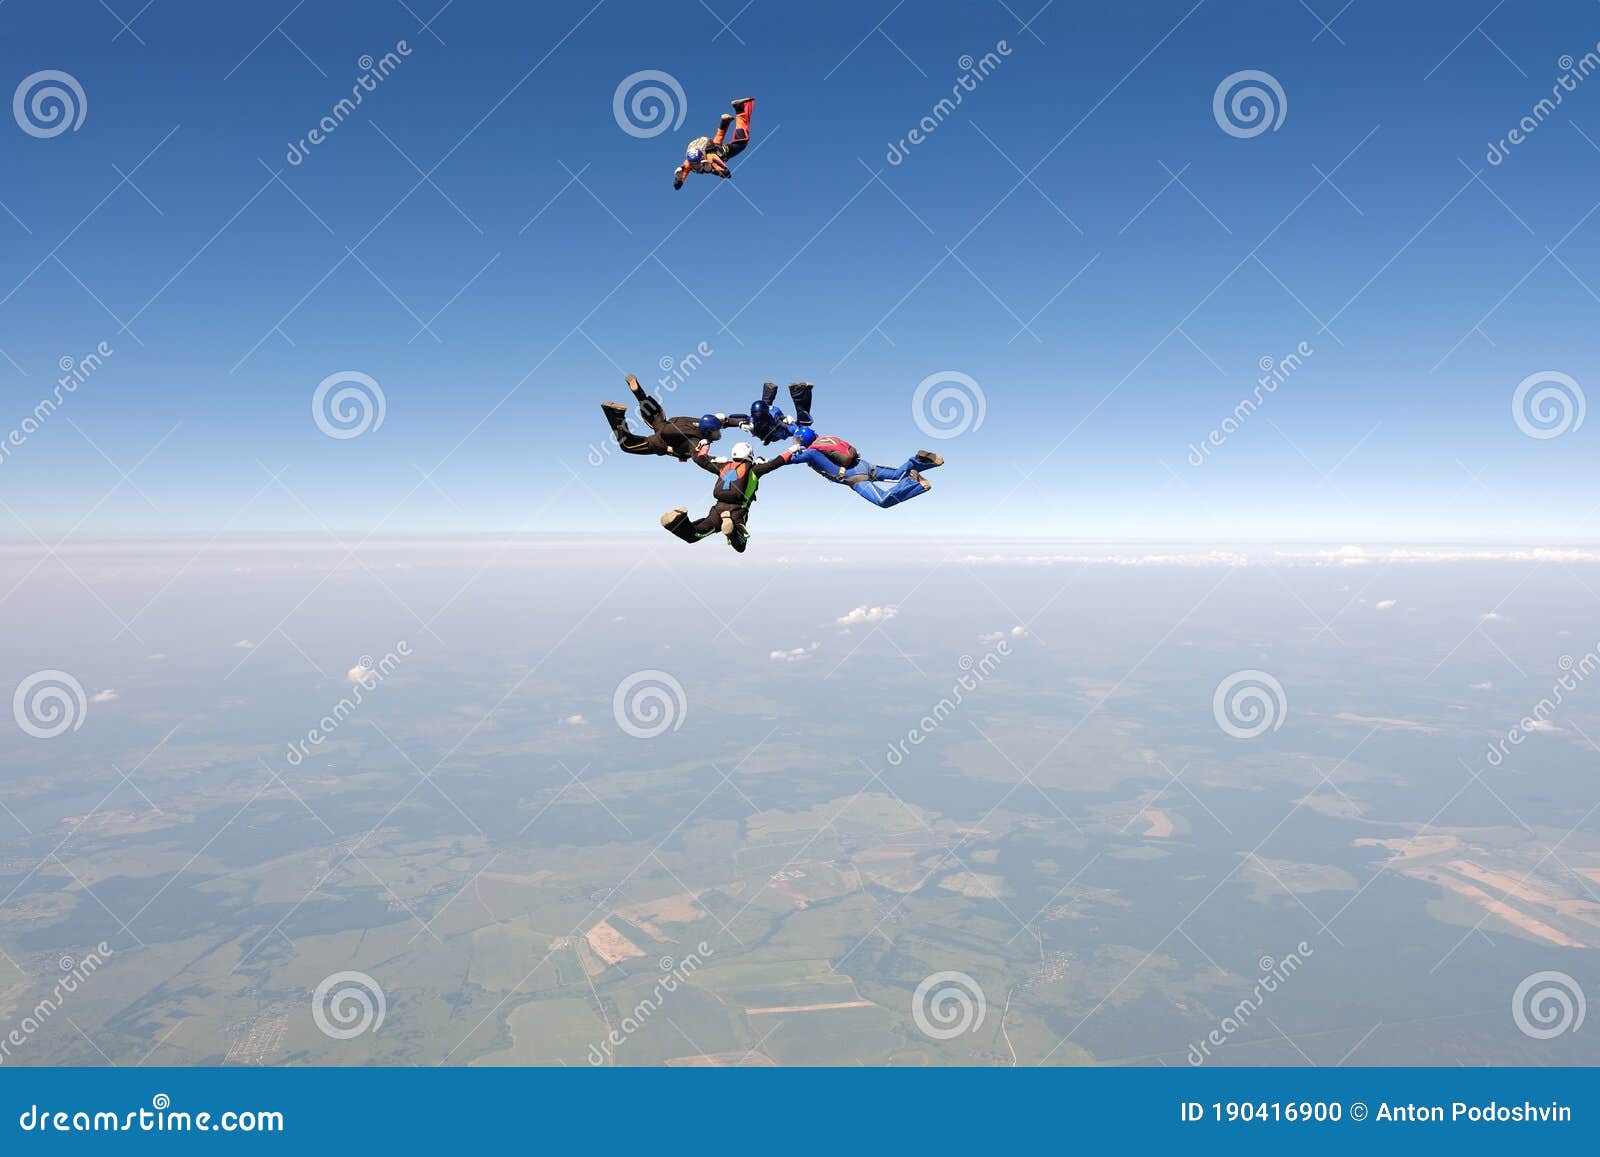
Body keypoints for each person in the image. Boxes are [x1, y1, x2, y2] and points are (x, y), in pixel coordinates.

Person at [661, 439, 786, 552]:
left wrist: (705, 444)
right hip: (737, 510)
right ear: (750, 454)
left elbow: (700, 459)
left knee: (694, 534)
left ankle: (676, 523)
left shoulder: (723, 465)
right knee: (741, 546)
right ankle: (731, 531)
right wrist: (794, 448)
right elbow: (779, 461)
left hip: (718, 508)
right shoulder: (754, 469)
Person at [780, 427, 944, 509]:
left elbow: (785, 460)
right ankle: (918, 460)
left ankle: (916, 483)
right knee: (897, 474)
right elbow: (796, 428)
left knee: (883, 501)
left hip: (855, 478)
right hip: (862, 464)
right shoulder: (823, 441)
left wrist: (788, 451)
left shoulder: (811, 453)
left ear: (802, 441)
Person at [600, 374, 743, 460]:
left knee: (655, 418)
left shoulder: (704, 422)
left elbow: (724, 421)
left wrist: (742, 423)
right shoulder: (695, 441)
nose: (719, 433)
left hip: (667, 424)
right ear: (708, 432)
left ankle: (639, 393)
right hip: (661, 441)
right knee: (627, 445)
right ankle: (617, 416)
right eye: (717, 431)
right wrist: (721, 463)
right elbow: (700, 459)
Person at [674, 98, 753, 190]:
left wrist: (711, 169)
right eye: (694, 164)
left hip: (718, 152)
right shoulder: (688, 162)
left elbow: (727, 173)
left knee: (742, 142)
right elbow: (678, 184)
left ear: (702, 157)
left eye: (697, 163)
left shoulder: (711, 159)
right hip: (710, 147)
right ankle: (724, 121)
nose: (696, 165)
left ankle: (740, 109)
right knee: (716, 143)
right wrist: (678, 181)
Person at [745, 380, 813, 445]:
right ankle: (799, 393)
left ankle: (799, 394)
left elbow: (794, 429)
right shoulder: (756, 422)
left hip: (774, 419)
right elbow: (794, 430)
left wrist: (741, 423)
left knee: (803, 425)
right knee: (803, 426)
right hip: (774, 424)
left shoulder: (765, 421)